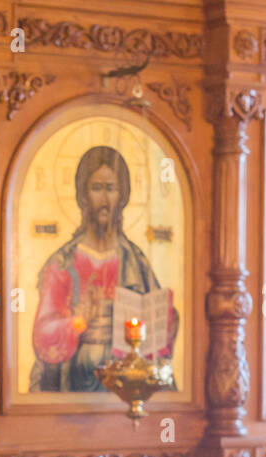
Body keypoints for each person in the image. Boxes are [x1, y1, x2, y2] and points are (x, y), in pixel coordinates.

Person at [29, 146, 177, 392]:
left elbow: (160, 325)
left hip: (128, 384)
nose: (105, 200)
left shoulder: (136, 261)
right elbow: (43, 332)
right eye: (97, 188)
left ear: (122, 195)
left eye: (111, 189)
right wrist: (77, 322)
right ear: (84, 194)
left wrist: (167, 319)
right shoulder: (63, 262)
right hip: (75, 379)